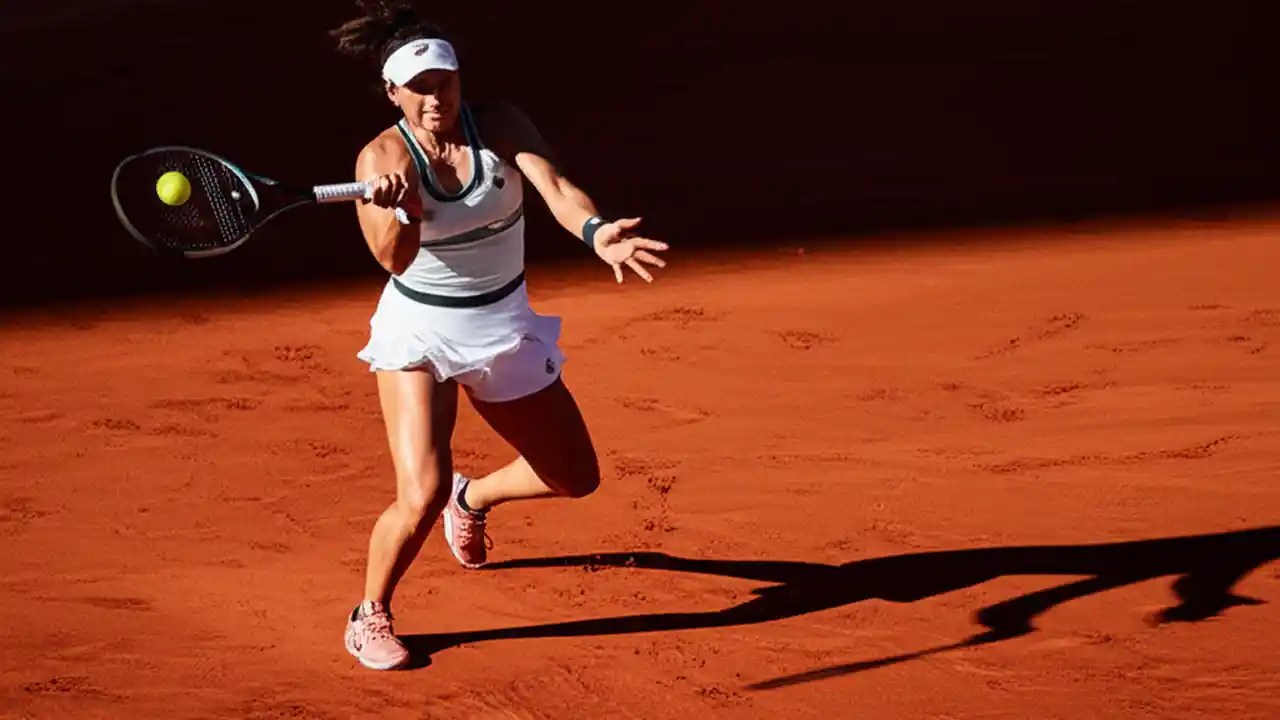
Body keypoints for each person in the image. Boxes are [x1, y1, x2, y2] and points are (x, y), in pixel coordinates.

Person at [329, 1, 670, 671]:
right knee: (418, 491)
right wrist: (401, 207)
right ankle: (369, 612)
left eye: (444, 82)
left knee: (574, 477)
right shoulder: (382, 156)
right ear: (393, 92)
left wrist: (596, 233)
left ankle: (474, 496)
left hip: (501, 325)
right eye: (418, 88)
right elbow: (393, 260)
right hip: (420, 332)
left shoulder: (502, 125)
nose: (435, 99)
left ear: (459, 78)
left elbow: (556, 186)